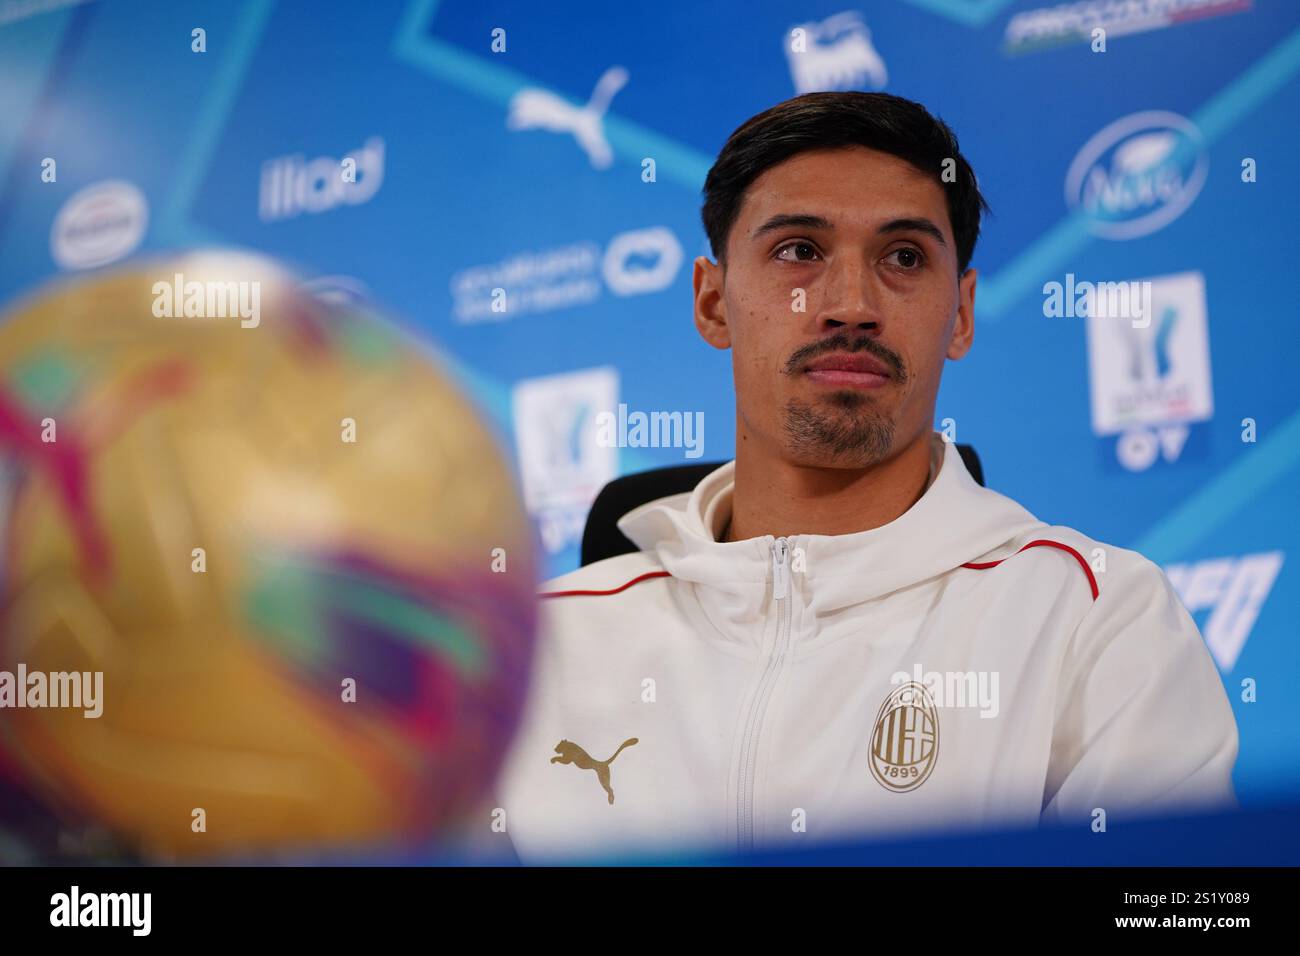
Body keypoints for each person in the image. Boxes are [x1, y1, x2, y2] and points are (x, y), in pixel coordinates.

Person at [490, 91, 1237, 863]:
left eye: (904, 257)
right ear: (713, 302)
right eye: (799, 251)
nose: (850, 305)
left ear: (962, 315)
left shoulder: (1096, 620)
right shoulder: (524, 658)